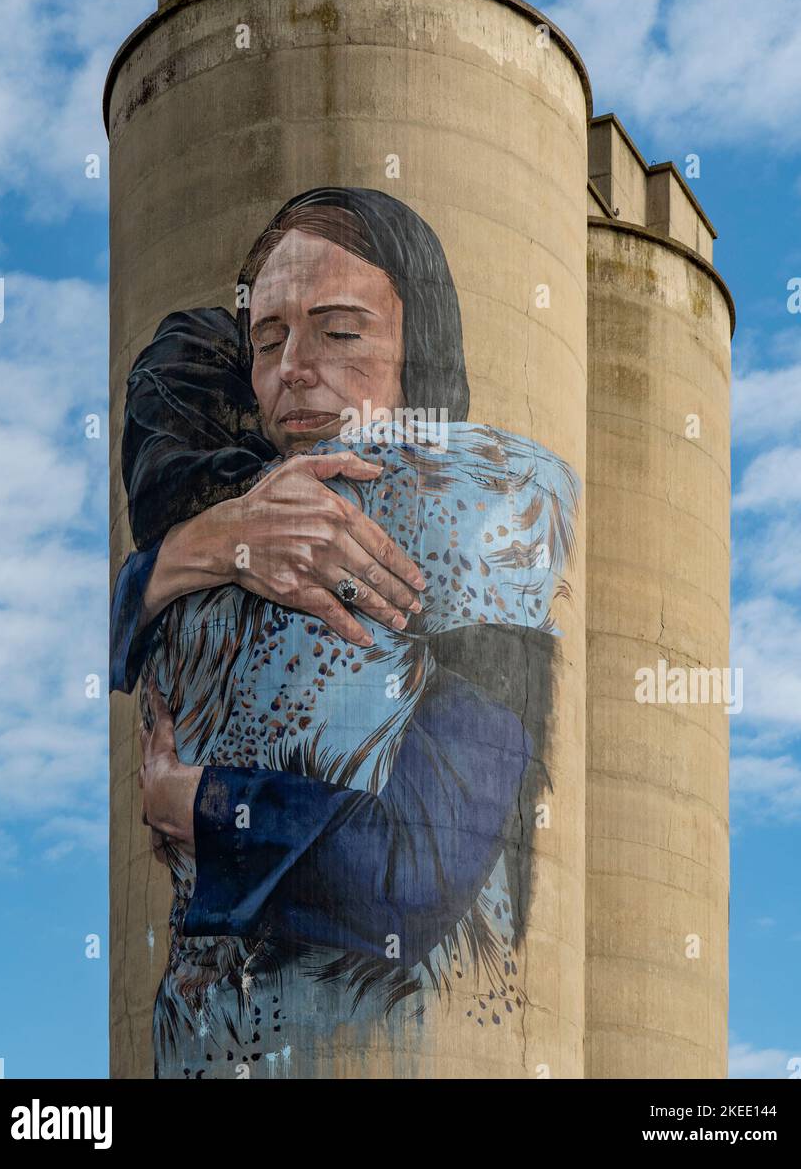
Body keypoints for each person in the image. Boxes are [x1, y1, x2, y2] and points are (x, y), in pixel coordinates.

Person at [111, 187, 578, 1077]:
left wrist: (195, 802)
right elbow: (173, 378)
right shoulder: (239, 516)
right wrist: (205, 546)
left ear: (419, 350)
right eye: (271, 339)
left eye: (340, 332)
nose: (294, 368)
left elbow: (410, 883)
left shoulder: (487, 519)